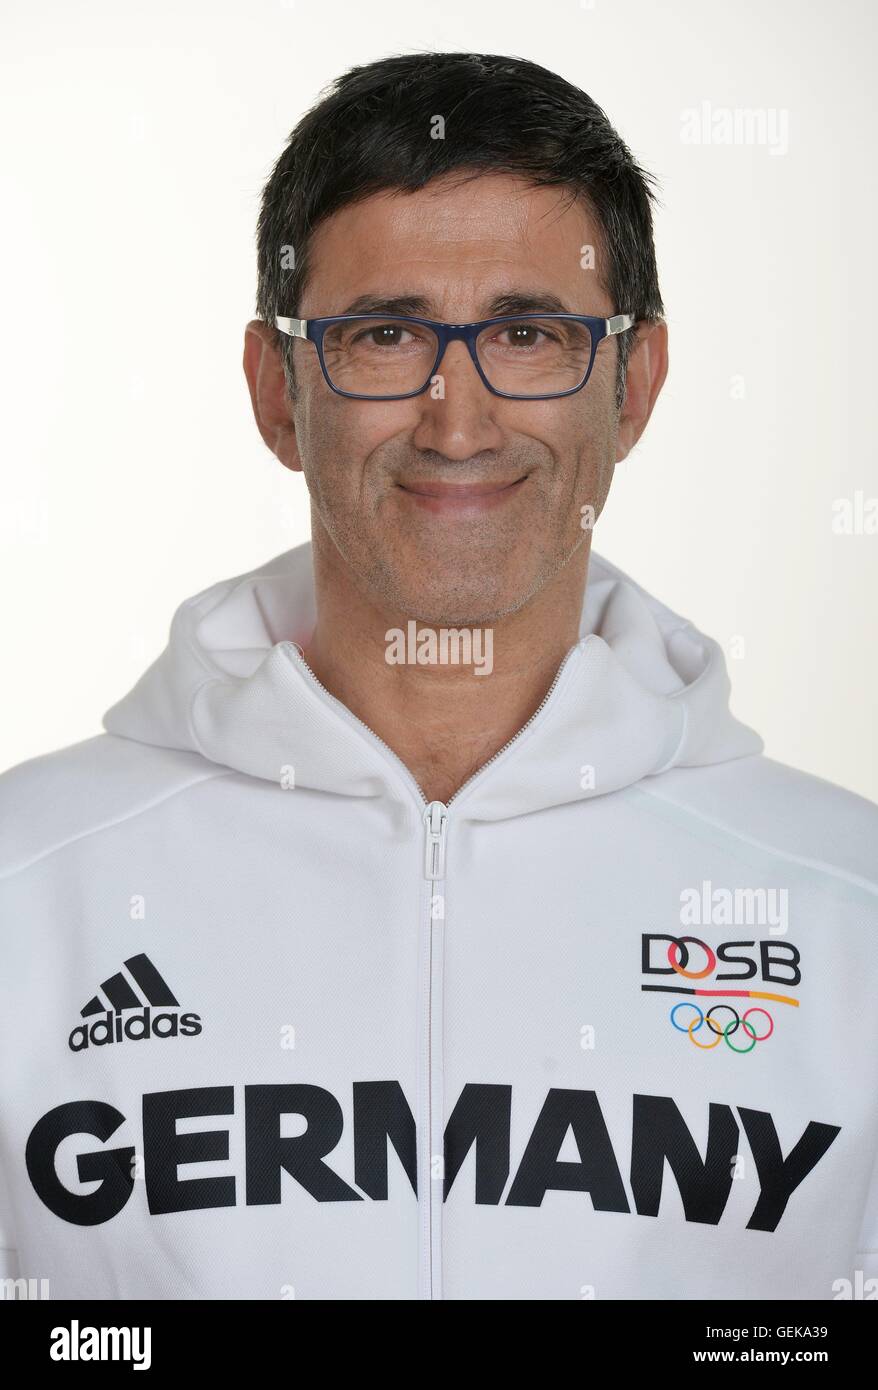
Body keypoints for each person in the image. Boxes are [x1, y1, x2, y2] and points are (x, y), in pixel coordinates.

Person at [1, 51, 876, 1302]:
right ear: (276, 387)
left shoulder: (847, 912)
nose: (454, 420)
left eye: (528, 334)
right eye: (384, 334)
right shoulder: (26, 892)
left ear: (632, 385)